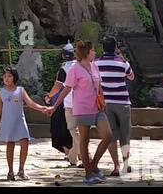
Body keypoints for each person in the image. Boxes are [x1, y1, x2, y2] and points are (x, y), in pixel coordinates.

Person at [45, 41, 113, 185]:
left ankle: (93, 165)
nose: (95, 52)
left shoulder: (95, 66)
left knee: (108, 136)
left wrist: (103, 100)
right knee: (84, 140)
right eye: (93, 50)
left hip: (97, 107)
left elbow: (99, 86)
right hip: (82, 109)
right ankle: (88, 173)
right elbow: (66, 89)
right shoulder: (74, 69)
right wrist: (55, 105)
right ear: (86, 53)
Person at [0, 66, 50, 181]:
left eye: (9, 76)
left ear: (14, 77)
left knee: (24, 142)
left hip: (20, 121)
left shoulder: (20, 90)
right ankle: (10, 171)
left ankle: (21, 170)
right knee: (10, 144)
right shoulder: (1, 92)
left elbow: (30, 103)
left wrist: (42, 108)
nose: (6, 78)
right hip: (7, 121)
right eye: (4, 76)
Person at [95, 37, 135, 176]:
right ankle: (125, 164)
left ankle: (116, 166)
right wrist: (123, 59)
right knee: (125, 135)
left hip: (106, 103)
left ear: (103, 48)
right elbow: (131, 77)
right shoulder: (122, 63)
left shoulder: (96, 63)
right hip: (123, 102)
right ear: (115, 47)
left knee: (111, 135)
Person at [46, 46, 75, 165]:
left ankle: (70, 152)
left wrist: (49, 96)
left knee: (65, 127)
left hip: (68, 101)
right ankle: (77, 152)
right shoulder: (82, 65)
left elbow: (57, 86)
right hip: (84, 100)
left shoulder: (65, 68)